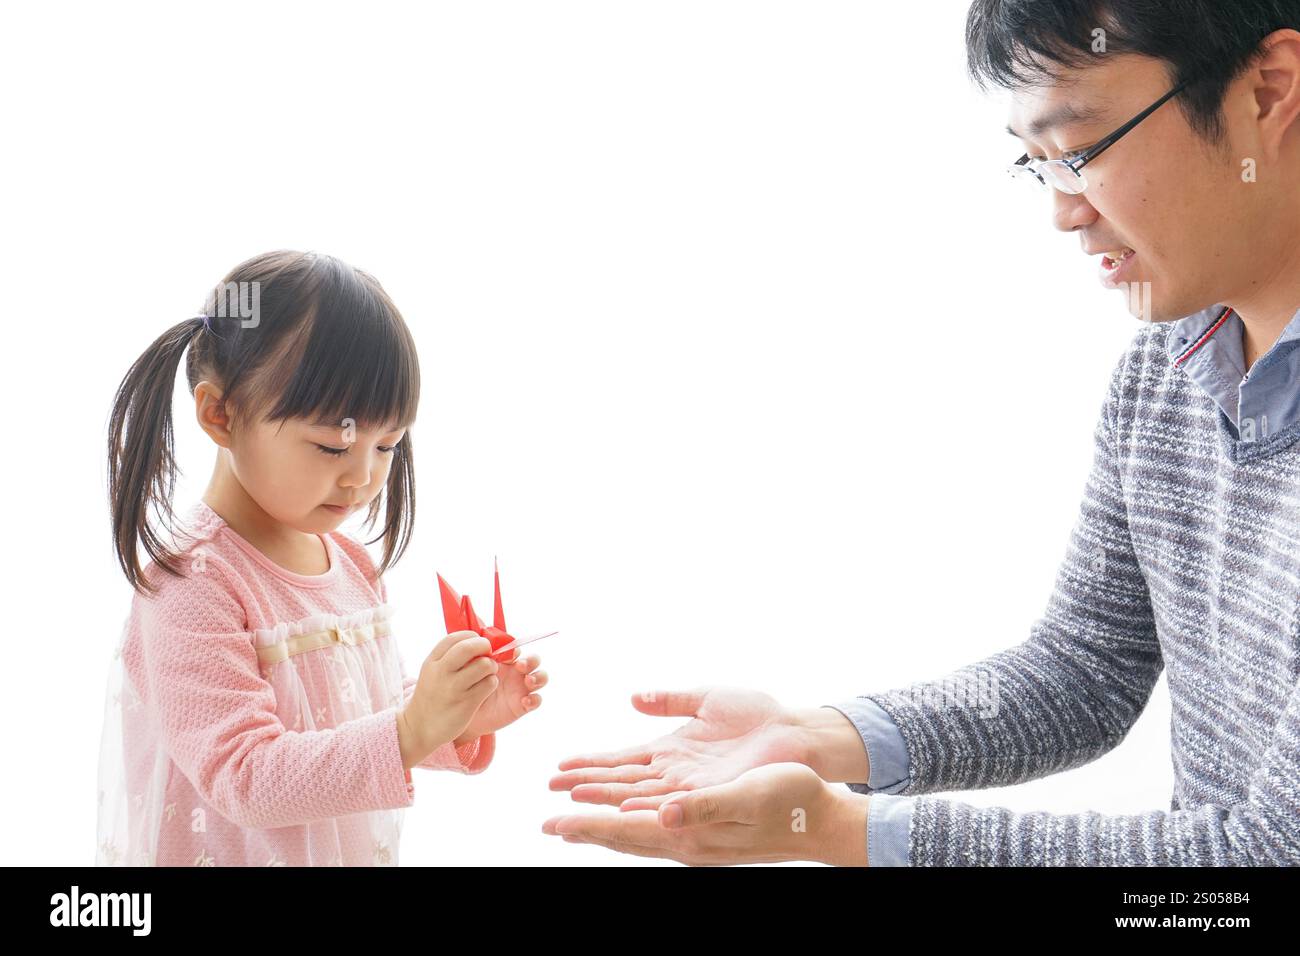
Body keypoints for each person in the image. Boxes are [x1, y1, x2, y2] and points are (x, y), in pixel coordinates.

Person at [543, 0, 1300, 865]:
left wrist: (836, 830)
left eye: (1082, 151)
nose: (1065, 211)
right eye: (1038, 163)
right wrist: (818, 738)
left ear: (1267, 90)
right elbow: (1085, 672)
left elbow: (1266, 860)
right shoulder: (1164, 373)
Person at [96, 249, 548, 866]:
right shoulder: (192, 584)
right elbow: (244, 774)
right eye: (332, 447)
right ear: (220, 415)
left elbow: (362, 716)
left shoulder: (353, 567)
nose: (363, 477)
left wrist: (457, 716)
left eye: (387, 444)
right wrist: (411, 729)